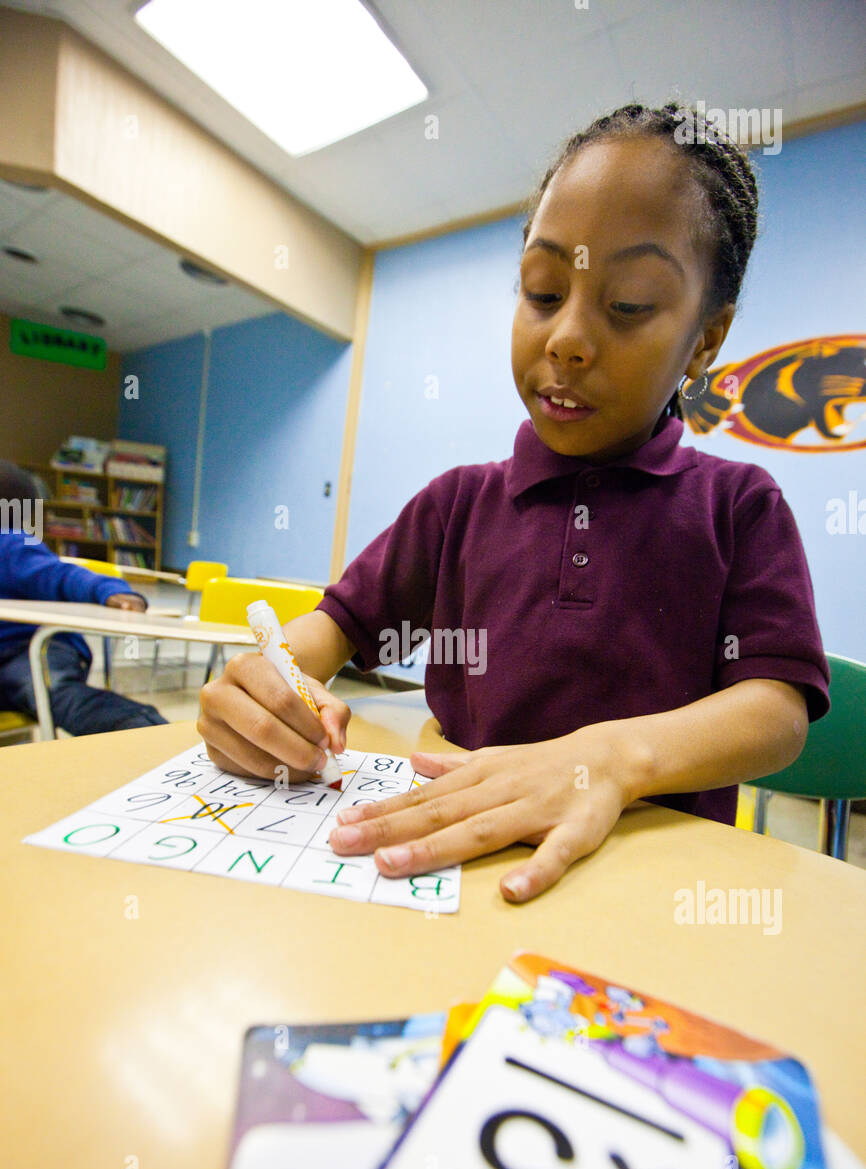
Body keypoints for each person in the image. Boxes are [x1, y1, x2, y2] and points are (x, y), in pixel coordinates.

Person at [197, 102, 829, 904]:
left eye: (629, 304)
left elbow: (776, 711)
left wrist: (610, 760)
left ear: (705, 341)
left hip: (652, 891)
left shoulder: (737, 504)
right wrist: (267, 690)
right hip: (452, 878)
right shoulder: (456, 506)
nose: (566, 336)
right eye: (542, 290)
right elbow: (329, 632)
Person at [0, 461, 167, 734]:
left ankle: (141, 728)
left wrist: (110, 591)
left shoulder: (11, 543)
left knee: (56, 693)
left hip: (30, 650)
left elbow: (62, 575)